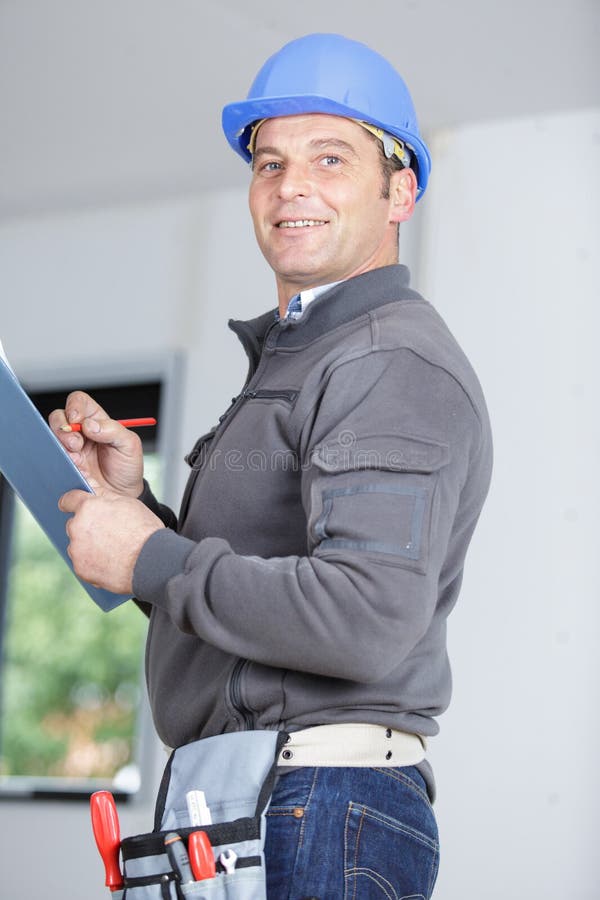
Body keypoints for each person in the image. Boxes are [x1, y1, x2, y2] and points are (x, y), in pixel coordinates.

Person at [53, 34, 492, 899]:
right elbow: (242, 593)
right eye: (269, 163)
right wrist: (136, 507)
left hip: (318, 800)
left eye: (331, 159)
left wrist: (147, 554)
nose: (290, 185)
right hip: (255, 797)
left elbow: (365, 617)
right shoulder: (304, 356)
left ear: (399, 190)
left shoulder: (386, 360)